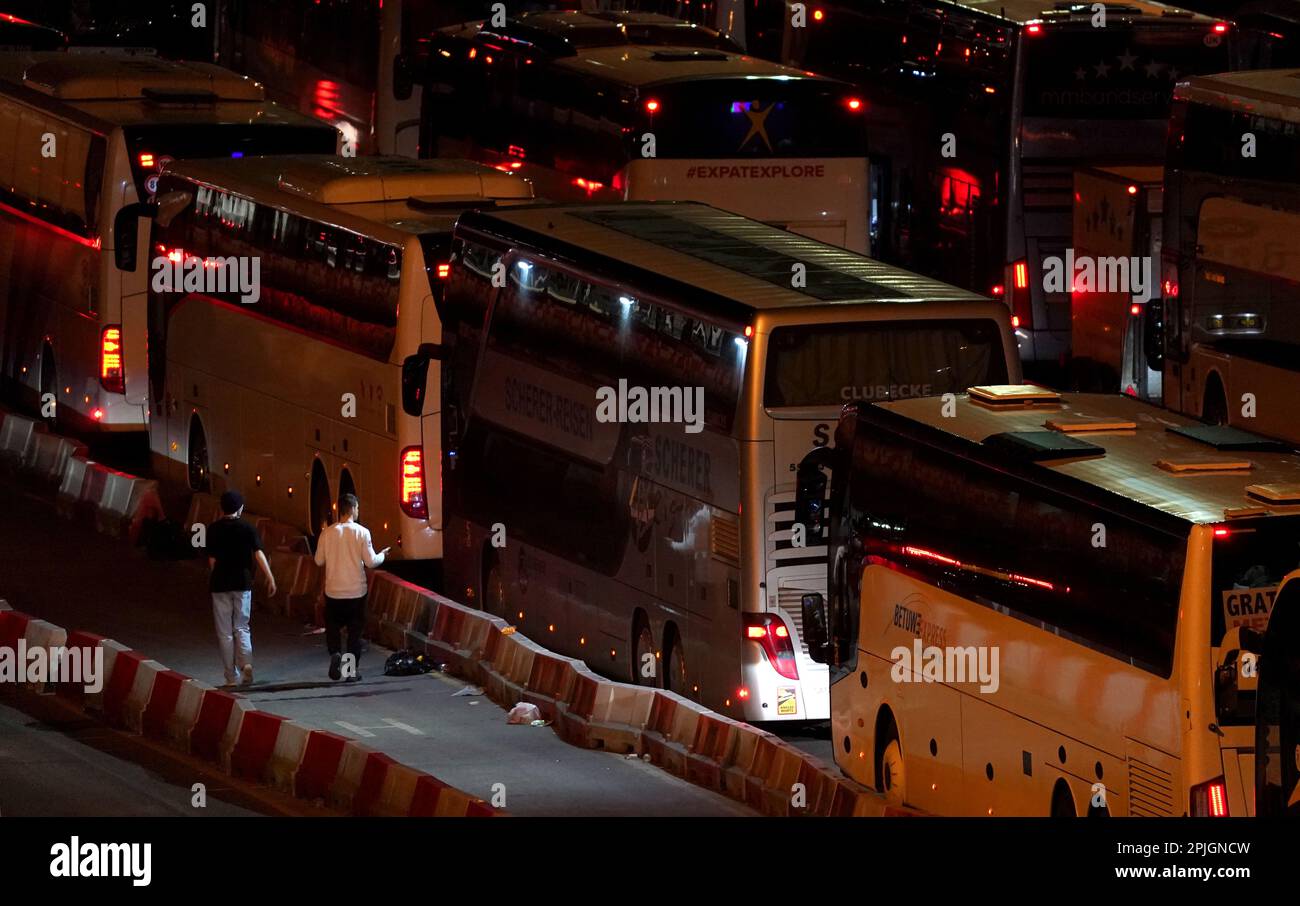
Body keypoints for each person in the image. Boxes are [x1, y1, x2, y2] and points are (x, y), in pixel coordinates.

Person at [314, 493, 389, 681]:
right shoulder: (362, 532)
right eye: (357, 508)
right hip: (356, 592)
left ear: (340, 510)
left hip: (333, 592)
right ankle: (349, 672)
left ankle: (335, 654)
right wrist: (383, 555)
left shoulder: (327, 533)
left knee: (333, 627)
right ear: (353, 509)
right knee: (354, 633)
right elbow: (371, 562)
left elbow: (318, 560)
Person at [208, 490, 275, 686]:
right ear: (240, 508)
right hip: (242, 583)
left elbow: (211, 560)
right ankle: (246, 663)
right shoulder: (248, 528)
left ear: (222, 508)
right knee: (242, 627)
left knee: (225, 632)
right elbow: (259, 554)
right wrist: (270, 577)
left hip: (220, 584)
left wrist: (216, 573)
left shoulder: (212, 529)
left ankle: (231, 676)